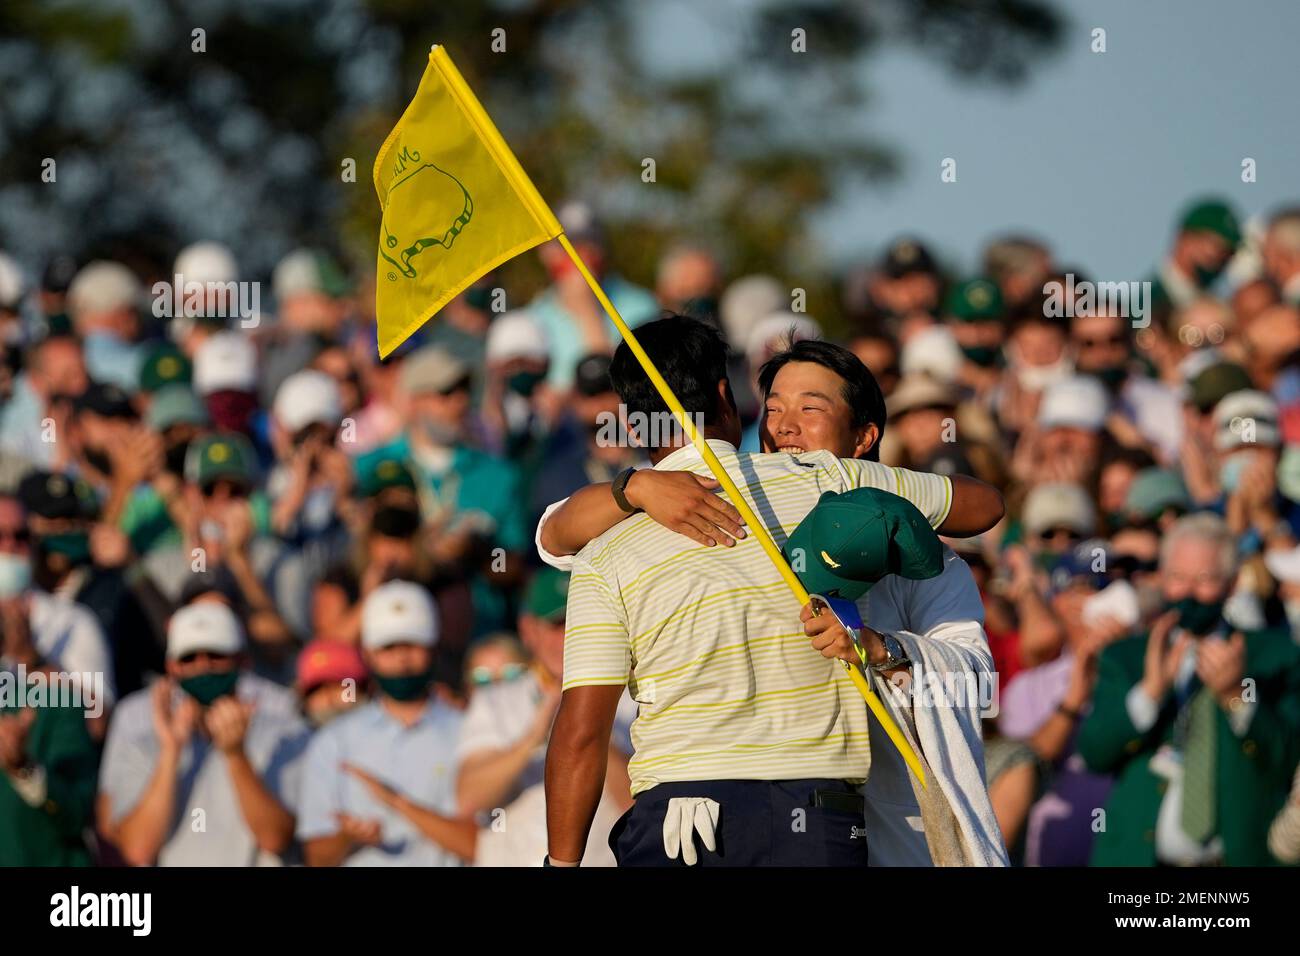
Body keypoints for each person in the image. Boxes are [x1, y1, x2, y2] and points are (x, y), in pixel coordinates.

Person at [542, 315, 1003, 866]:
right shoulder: (832, 480)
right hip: (815, 820)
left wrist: (561, 865)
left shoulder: (605, 547)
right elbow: (985, 505)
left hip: (676, 829)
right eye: (776, 407)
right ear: (724, 394)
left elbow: (581, 733)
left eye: (810, 408)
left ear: (633, 428)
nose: (783, 425)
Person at [1078, 513, 1300, 866]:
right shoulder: (1127, 656)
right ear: (1162, 578)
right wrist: (1149, 693)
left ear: (1230, 583)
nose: (1190, 592)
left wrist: (1235, 695)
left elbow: (1287, 759)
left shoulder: (1273, 655)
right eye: (1178, 578)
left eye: (1206, 578)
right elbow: (1095, 752)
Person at [97, 600, 309, 866]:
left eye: (216, 655)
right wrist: (171, 753)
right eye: (189, 658)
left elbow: (275, 837)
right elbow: (137, 849)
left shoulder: (284, 733)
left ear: (242, 661)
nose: (203, 666)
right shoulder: (145, 742)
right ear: (172, 667)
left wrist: (236, 756)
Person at [458, 568, 633, 866]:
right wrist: (532, 740)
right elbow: (469, 797)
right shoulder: (496, 699)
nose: (572, 635)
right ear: (528, 630)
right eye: (558, 624)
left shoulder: (632, 694)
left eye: (583, 621)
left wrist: (588, 726)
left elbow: (636, 804)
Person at [296, 580, 474, 865]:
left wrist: (396, 802)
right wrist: (348, 837)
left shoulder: (470, 732)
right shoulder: (334, 741)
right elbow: (316, 856)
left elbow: (482, 845)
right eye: (389, 647)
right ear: (367, 654)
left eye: (413, 644)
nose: (402, 657)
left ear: (434, 647)